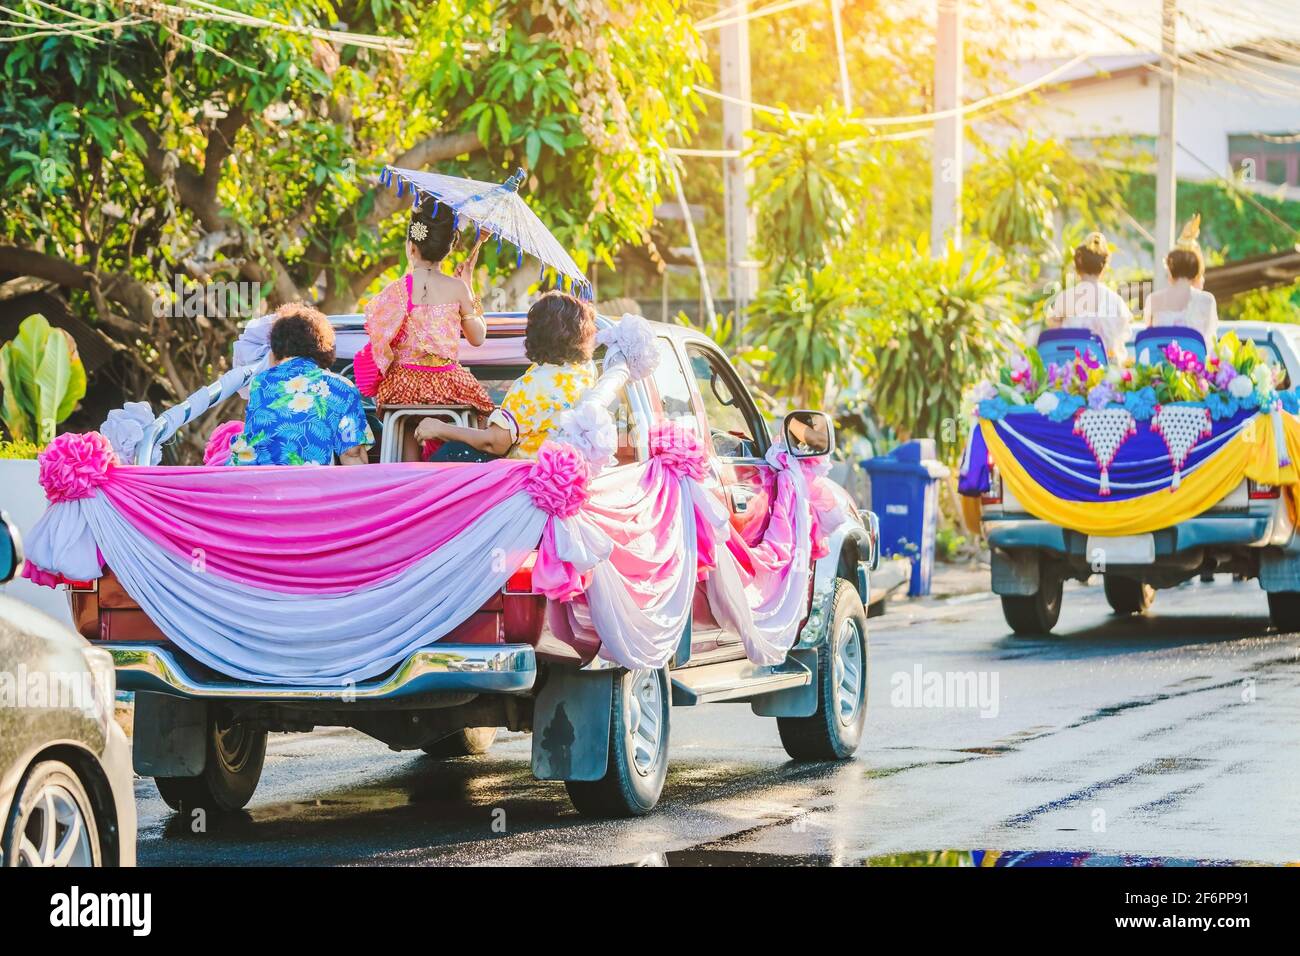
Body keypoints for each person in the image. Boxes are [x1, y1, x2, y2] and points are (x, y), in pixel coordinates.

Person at [364, 201, 495, 458]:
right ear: (450, 248)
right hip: (448, 384)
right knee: (482, 410)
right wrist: (468, 288)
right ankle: (457, 466)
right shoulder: (457, 288)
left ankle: (408, 475)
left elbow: (378, 337)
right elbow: (478, 338)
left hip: (403, 384)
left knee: (406, 421)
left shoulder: (397, 289)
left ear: (412, 247)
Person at [413, 291, 597, 460]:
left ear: (536, 333)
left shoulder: (531, 386)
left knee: (451, 450)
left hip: (524, 477)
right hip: (564, 468)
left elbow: (494, 443)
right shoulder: (585, 372)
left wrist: (440, 428)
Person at [230, 304, 373, 466]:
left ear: (276, 346)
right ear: (324, 346)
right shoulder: (341, 387)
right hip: (309, 486)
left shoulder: (260, 383)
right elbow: (352, 453)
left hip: (257, 482)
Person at [1042, 231, 1133, 359]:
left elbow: (1055, 336)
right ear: (1104, 267)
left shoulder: (1065, 298)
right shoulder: (1116, 301)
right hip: (1106, 373)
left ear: (1077, 267)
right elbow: (1119, 341)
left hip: (1072, 372)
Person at [1143, 214, 1218, 348]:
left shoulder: (1153, 300)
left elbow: (1149, 343)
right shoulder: (1207, 301)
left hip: (1160, 369)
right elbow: (1210, 347)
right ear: (1197, 270)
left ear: (1170, 270)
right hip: (1195, 368)